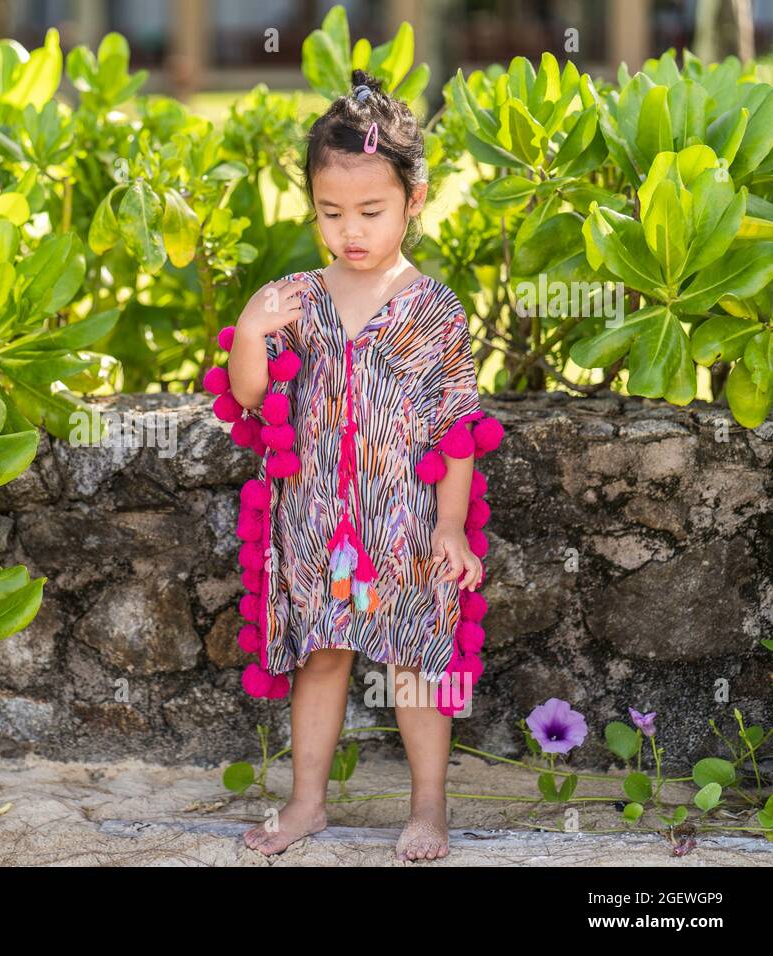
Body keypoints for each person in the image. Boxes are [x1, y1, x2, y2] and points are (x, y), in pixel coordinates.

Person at [223, 69, 498, 862]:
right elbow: (247, 395)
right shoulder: (299, 299)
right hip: (315, 522)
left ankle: (429, 807)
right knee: (322, 655)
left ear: (415, 200)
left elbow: (456, 429)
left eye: (371, 211)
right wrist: (250, 328)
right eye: (330, 212)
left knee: (413, 662)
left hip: (406, 521)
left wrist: (452, 528)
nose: (351, 230)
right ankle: (307, 803)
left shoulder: (432, 309)